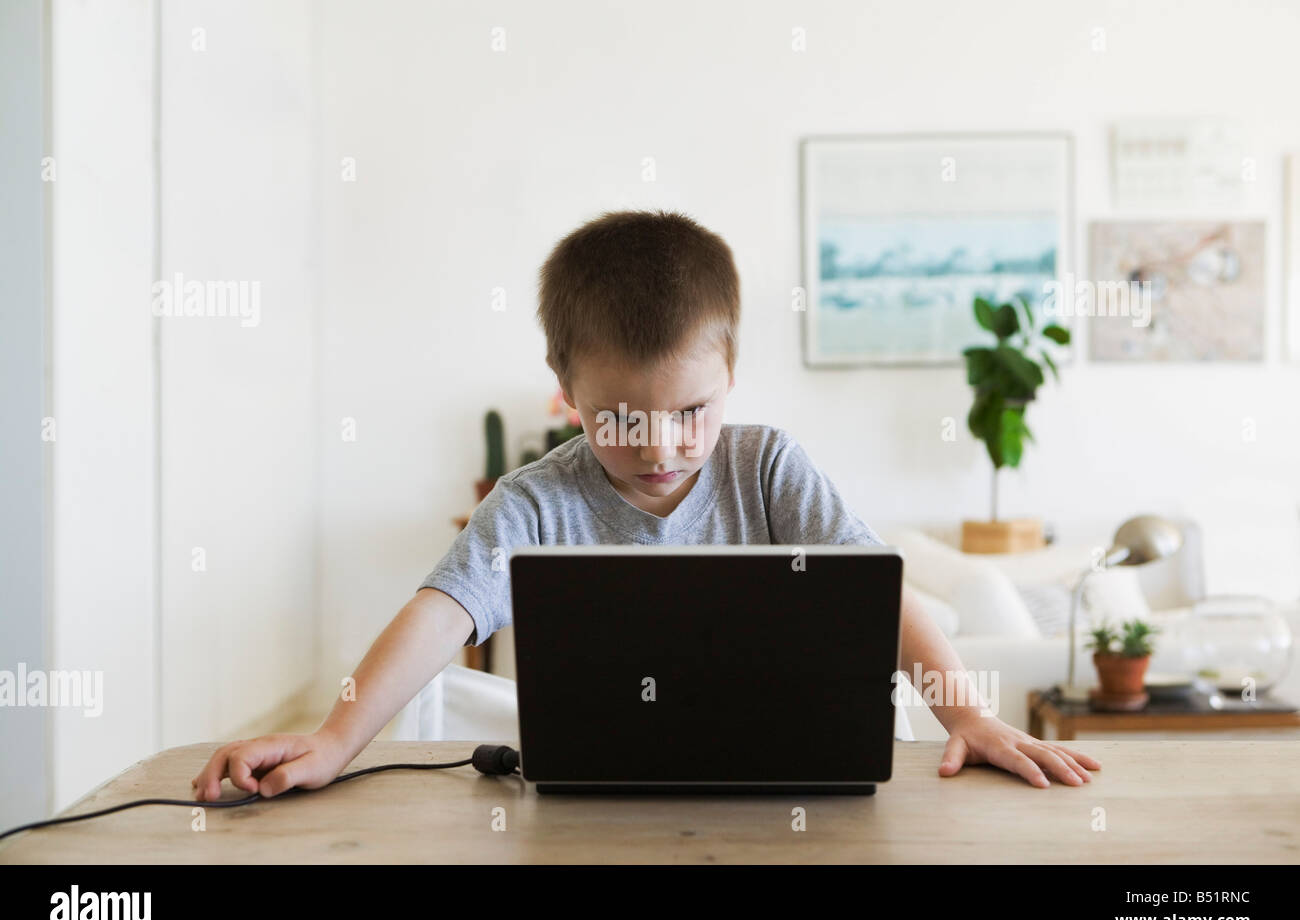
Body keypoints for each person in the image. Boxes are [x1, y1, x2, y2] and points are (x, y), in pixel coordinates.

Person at [192, 210, 1099, 800]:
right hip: (590, 810)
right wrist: (336, 737)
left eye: (692, 412)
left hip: (787, 797)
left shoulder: (770, 467)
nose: (662, 447)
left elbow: (882, 595)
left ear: (732, 374)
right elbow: (439, 615)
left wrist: (969, 716)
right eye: (622, 417)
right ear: (566, 388)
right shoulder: (535, 501)